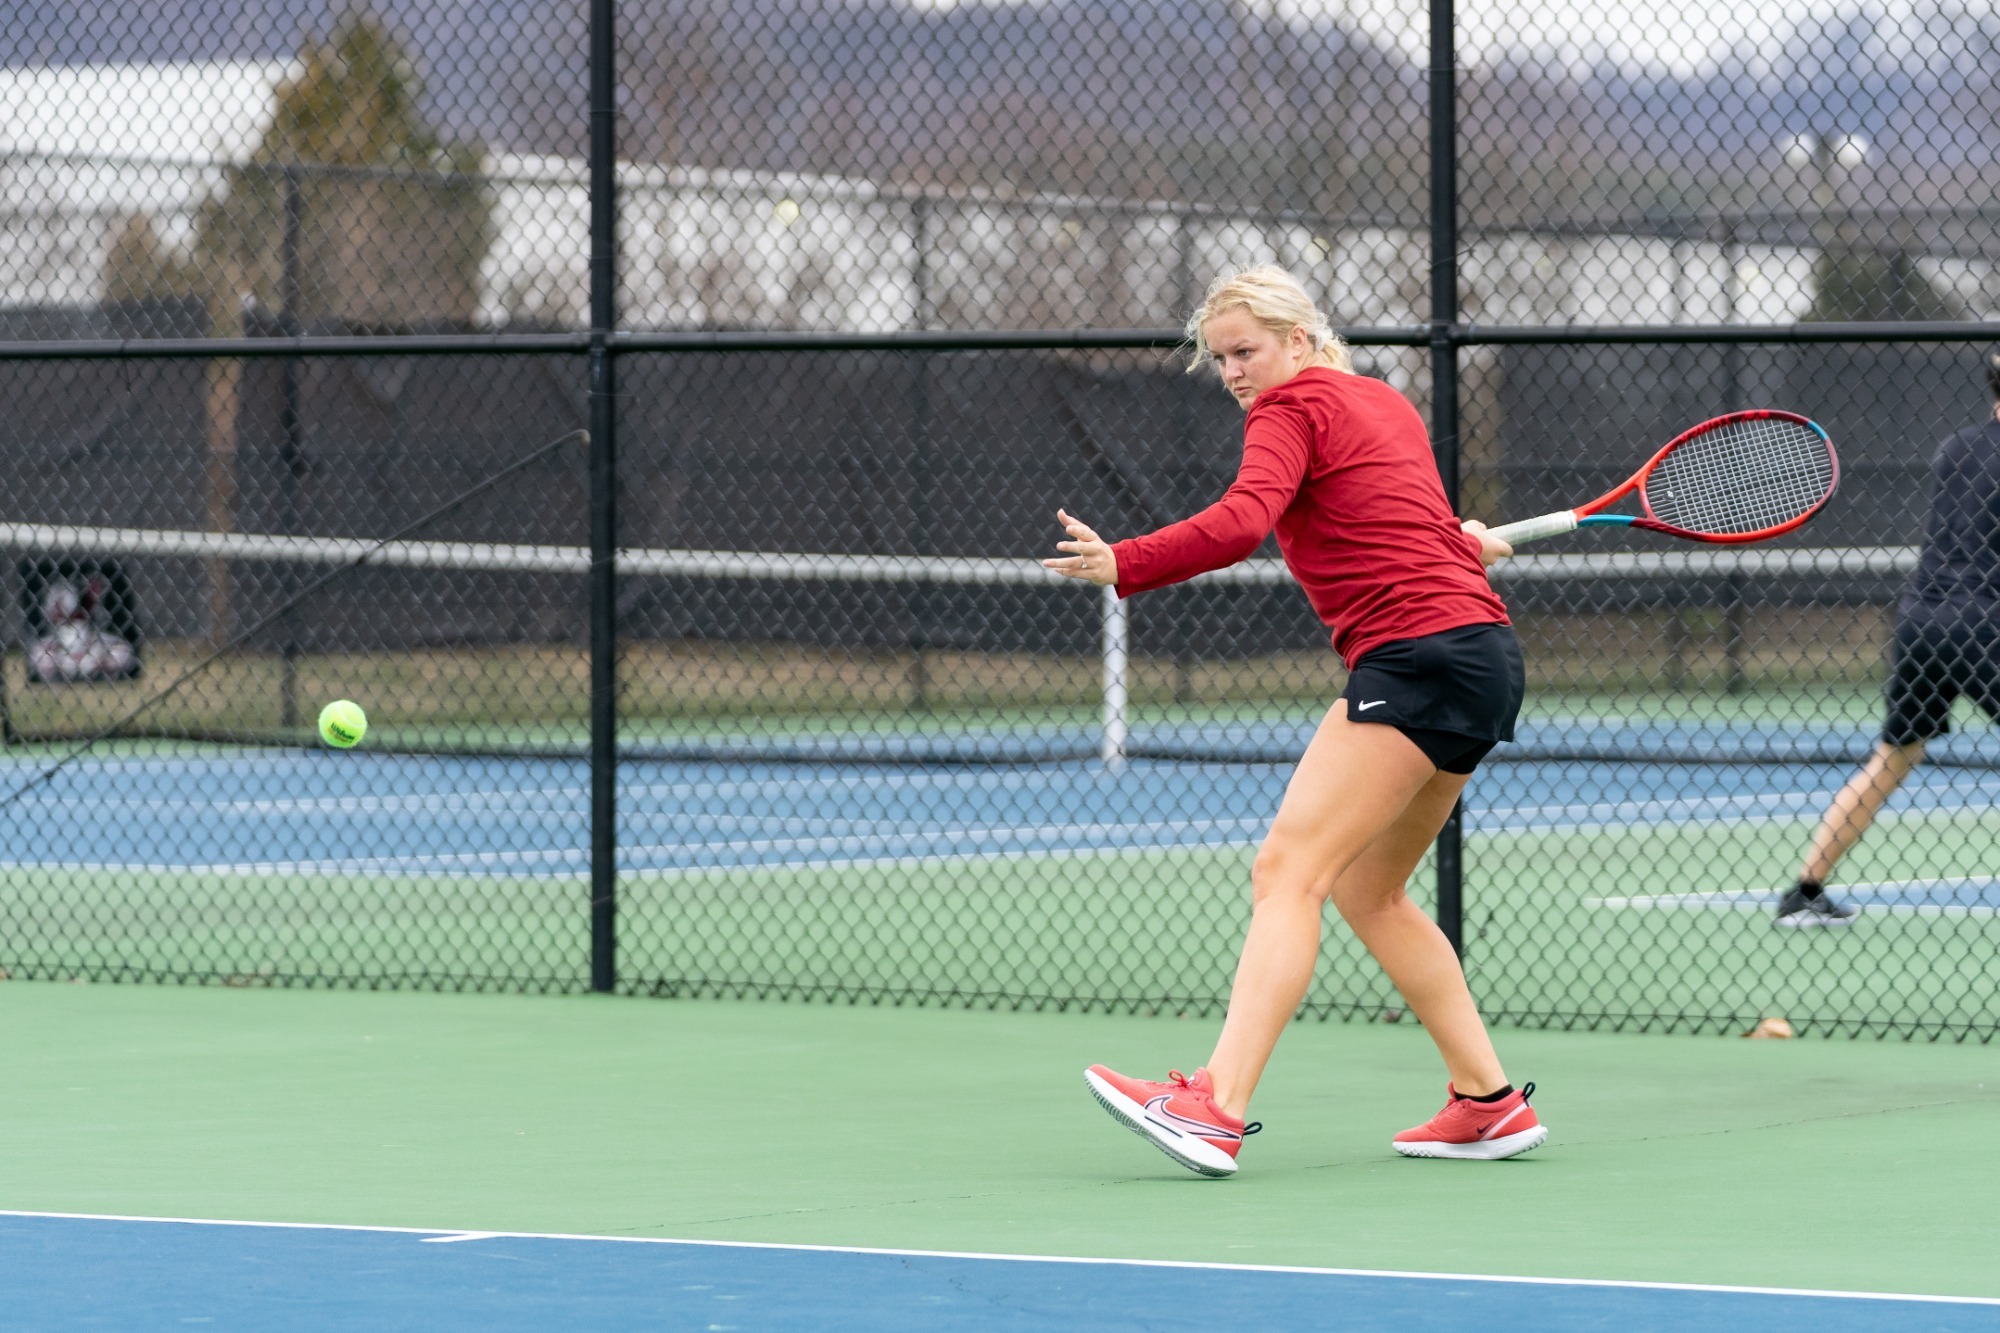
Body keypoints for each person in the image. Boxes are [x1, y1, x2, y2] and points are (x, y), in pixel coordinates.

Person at [1044, 265, 1543, 1176]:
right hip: (1481, 658)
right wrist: (1461, 538)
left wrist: (1126, 560)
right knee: (1368, 891)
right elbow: (1408, 520)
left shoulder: (1289, 410)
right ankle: (1487, 1102)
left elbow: (1241, 523)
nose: (1235, 372)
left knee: (1287, 870)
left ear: (1298, 343)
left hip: (1417, 656)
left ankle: (1216, 1103)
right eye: (1222, 357)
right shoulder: (1381, 402)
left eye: (1249, 351)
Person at [1782, 350, 2000, 927]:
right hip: (1980, 620)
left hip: (1921, 618)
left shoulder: (1957, 446)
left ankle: (1805, 892)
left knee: (1891, 759)